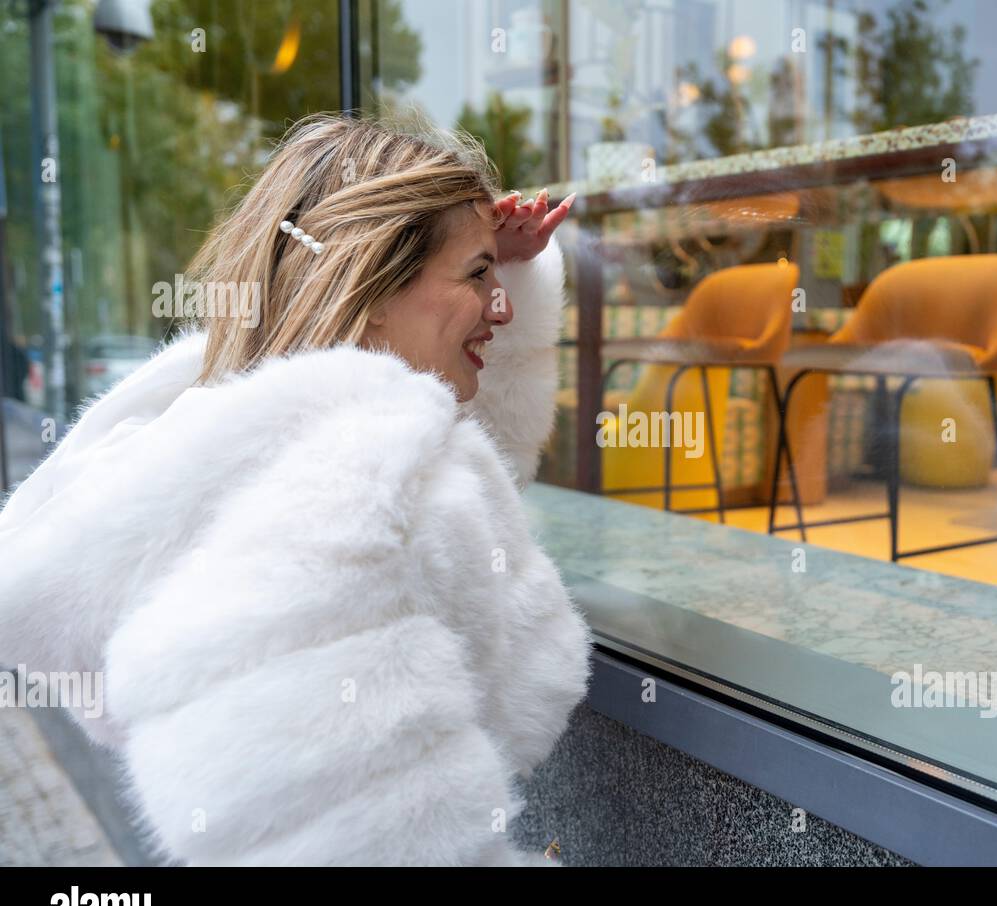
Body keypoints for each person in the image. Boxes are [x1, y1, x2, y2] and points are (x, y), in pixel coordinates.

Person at [0, 115, 592, 866]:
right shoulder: (353, 495)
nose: (501, 304)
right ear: (373, 285)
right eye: (479, 276)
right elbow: (378, 844)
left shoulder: (236, 444)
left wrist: (481, 266)